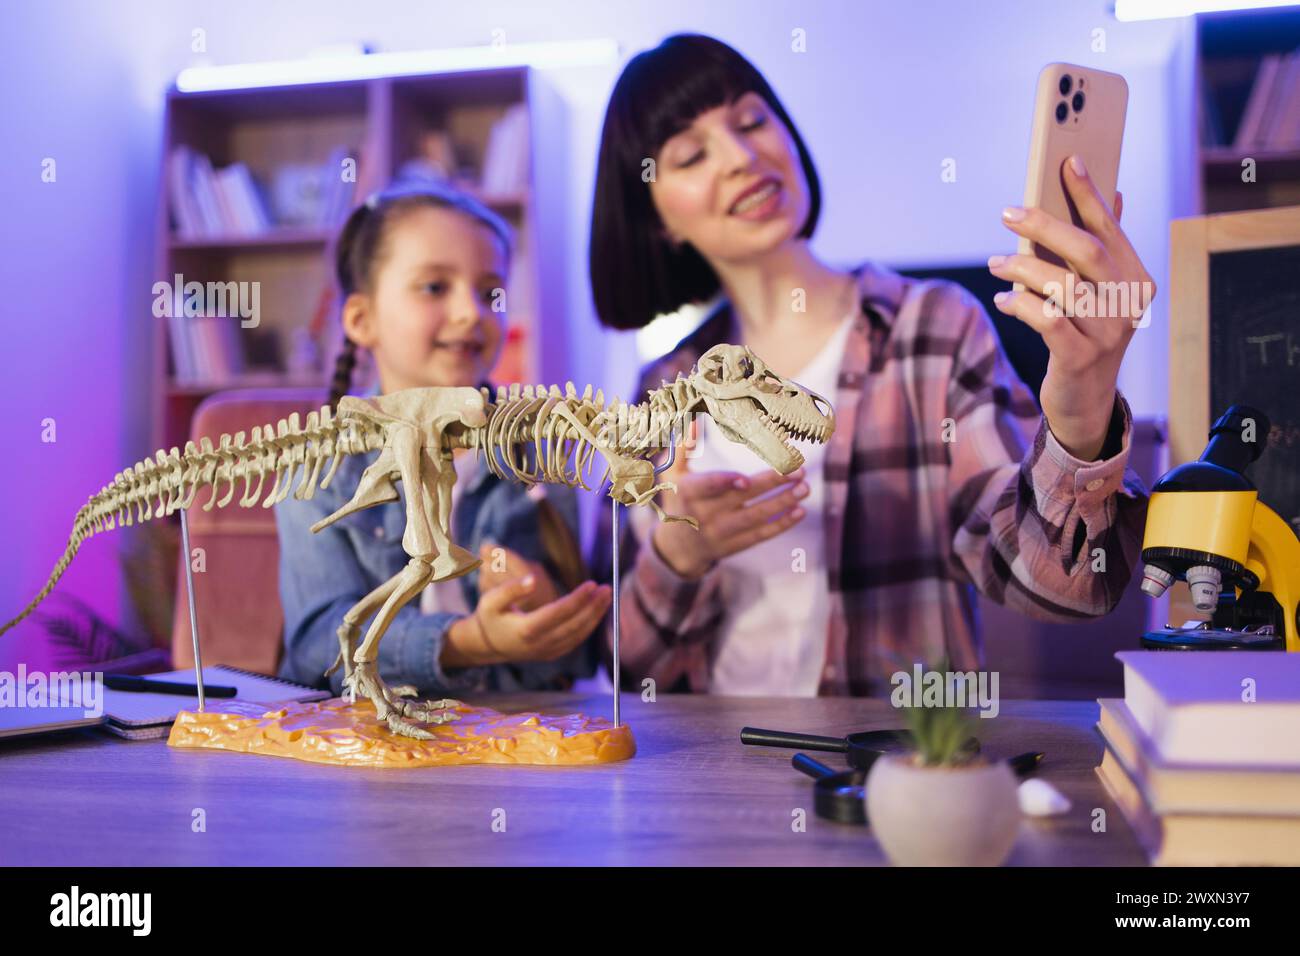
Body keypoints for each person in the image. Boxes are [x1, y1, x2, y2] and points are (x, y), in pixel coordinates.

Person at [588, 34, 1152, 696]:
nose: (742, 158)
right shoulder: (659, 392)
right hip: (713, 783)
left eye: (751, 121)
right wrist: (679, 557)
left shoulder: (932, 329)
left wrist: (1082, 409)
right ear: (658, 221)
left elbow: (1063, 585)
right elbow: (625, 665)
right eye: (689, 156)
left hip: (890, 778)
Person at [276, 180, 611, 700]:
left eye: (488, 292)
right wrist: (465, 642)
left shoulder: (542, 450)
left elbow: (578, 659)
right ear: (362, 320)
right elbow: (318, 646)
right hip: (358, 752)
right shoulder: (317, 466)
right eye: (435, 287)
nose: (470, 313)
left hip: (510, 744)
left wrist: (546, 614)